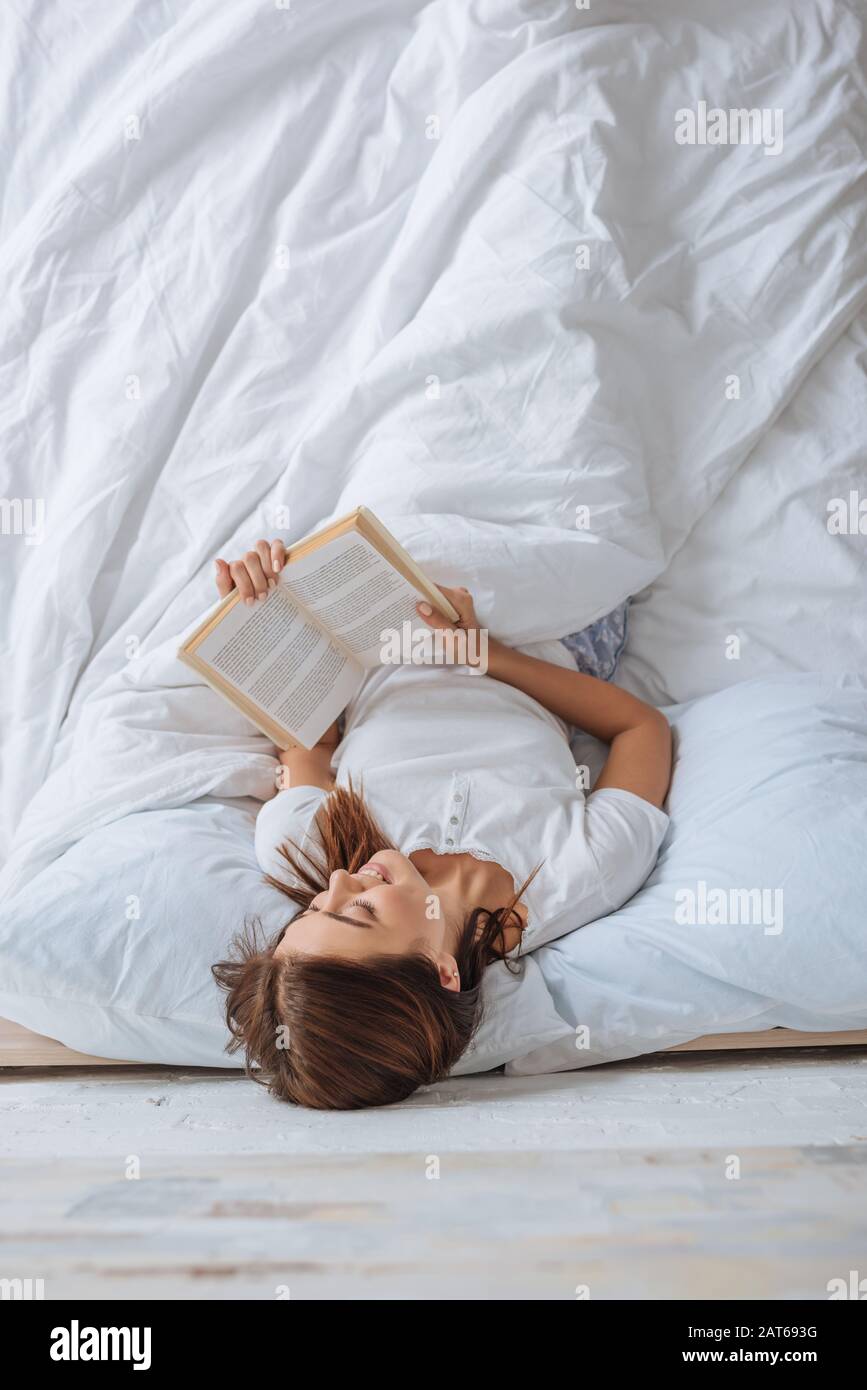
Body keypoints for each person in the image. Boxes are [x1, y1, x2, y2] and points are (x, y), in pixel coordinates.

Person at [212, 538, 672, 1109]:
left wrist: (265, 623)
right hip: (544, 641)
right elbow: (640, 729)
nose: (336, 882)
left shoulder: (298, 846)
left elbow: (313, 731)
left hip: (371, 624)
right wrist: (487, 654)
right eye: (359, 912)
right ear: (441, 971)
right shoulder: (581, 874)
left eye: (310, 910)